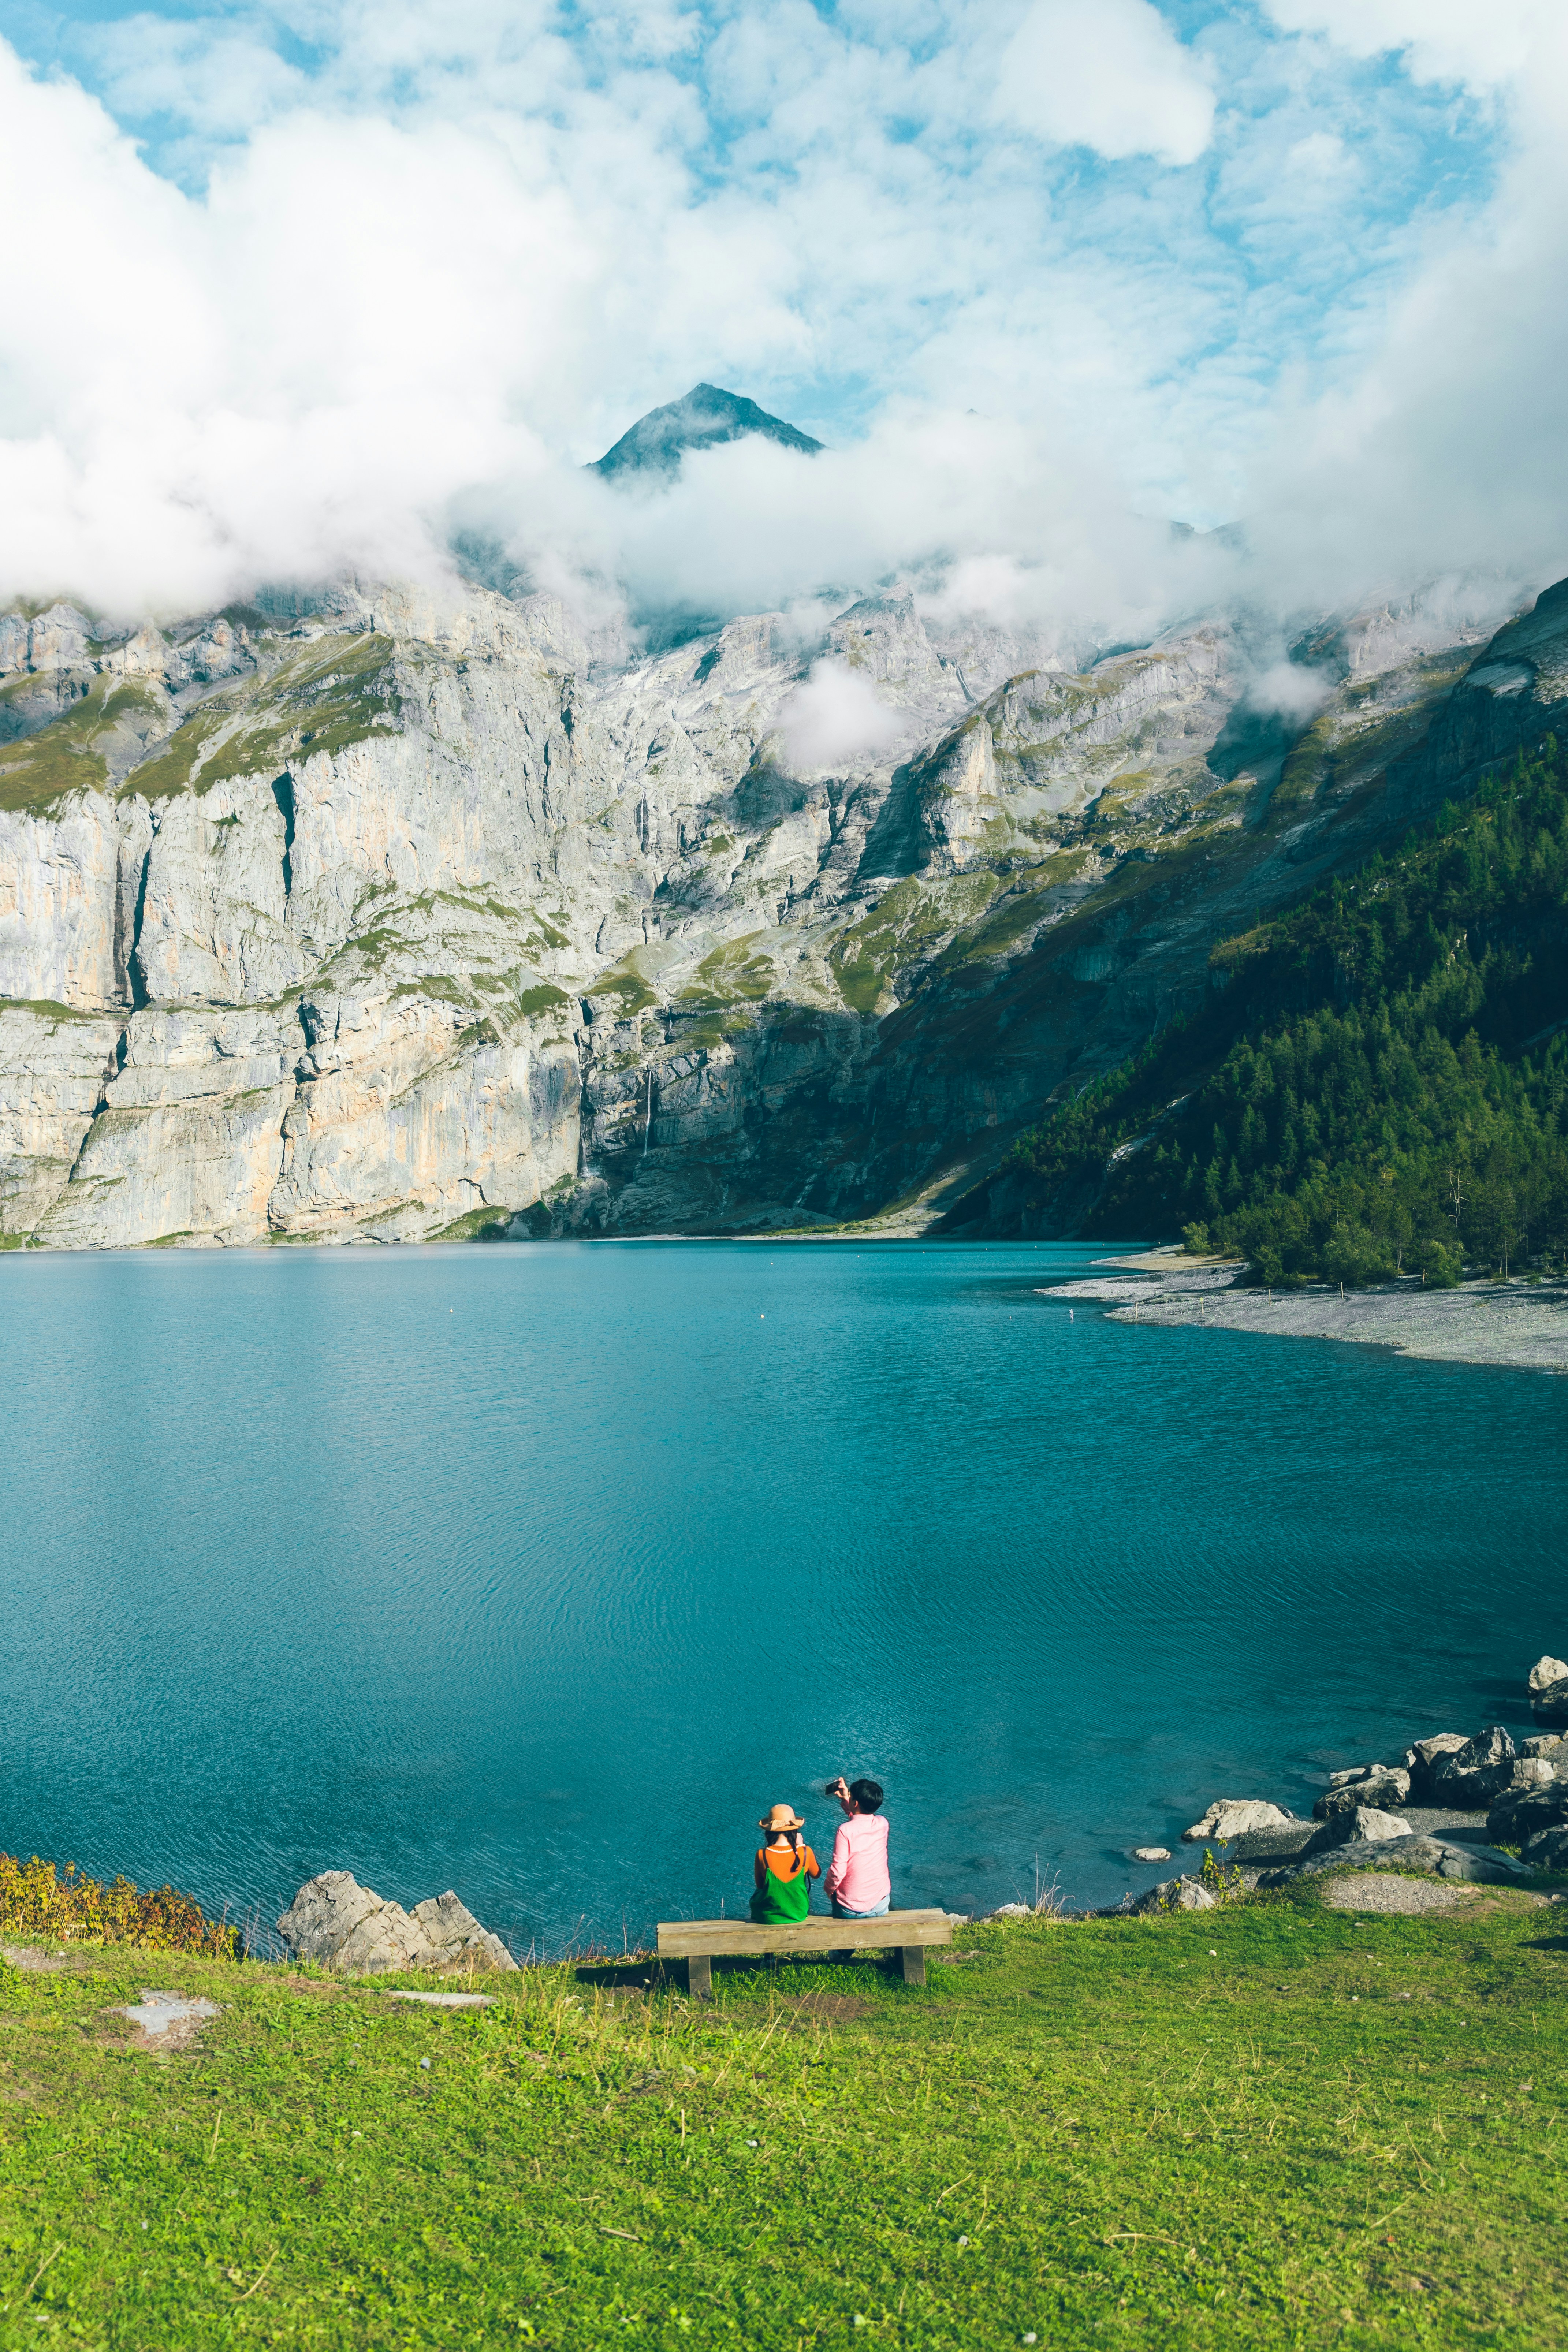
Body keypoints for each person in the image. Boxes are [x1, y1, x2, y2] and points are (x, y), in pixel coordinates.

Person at [823, 1775, 890, 1930]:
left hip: (850, 1910)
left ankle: (840, 1953)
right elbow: (861, 1820)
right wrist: (847, 1799)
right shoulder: (883, 1823)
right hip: (881, 1905)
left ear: (856, 1803)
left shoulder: (844, 1831)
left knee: (837, 1897)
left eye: (852, 1797)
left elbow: (838, 1871)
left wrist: (828, 1890)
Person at [750, 1804, 821, 1924]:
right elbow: (817, 1874)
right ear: (795, 1829)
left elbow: (760, 1885)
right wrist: (802, 1846)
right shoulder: (805, 1852)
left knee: (757, 1895)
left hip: (769, 1917)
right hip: (798, 1914)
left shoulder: (762, 1854)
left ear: (770, 1831)